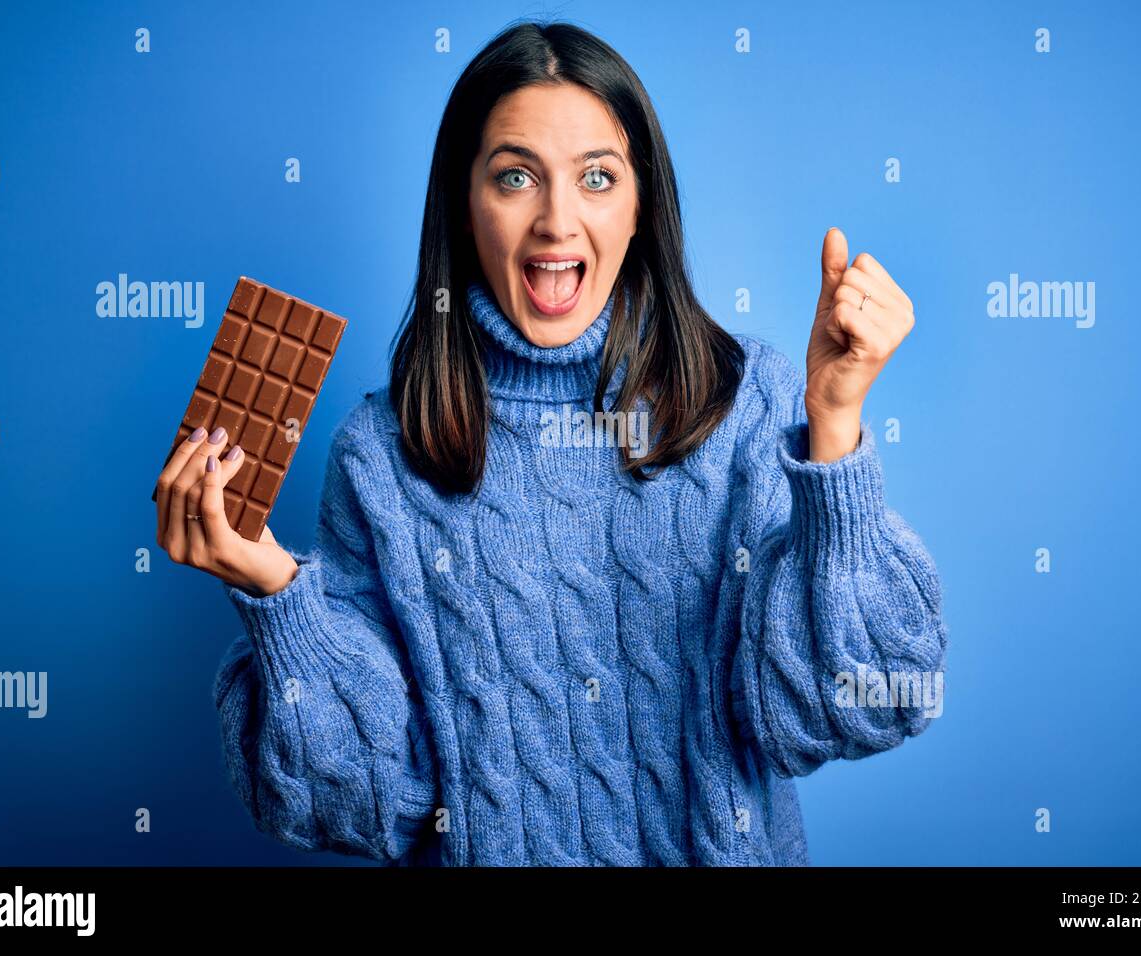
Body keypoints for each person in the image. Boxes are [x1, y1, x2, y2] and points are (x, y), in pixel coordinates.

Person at [154, 20, 947, 866]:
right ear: (465, 205)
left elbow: (852, 709)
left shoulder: (742, 401)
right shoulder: (383, 455)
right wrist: (278, 596)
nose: (557, 221)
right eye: (515, 177)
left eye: (597, 178)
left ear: (642, 206)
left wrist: (833, 425)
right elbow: (368, 806)